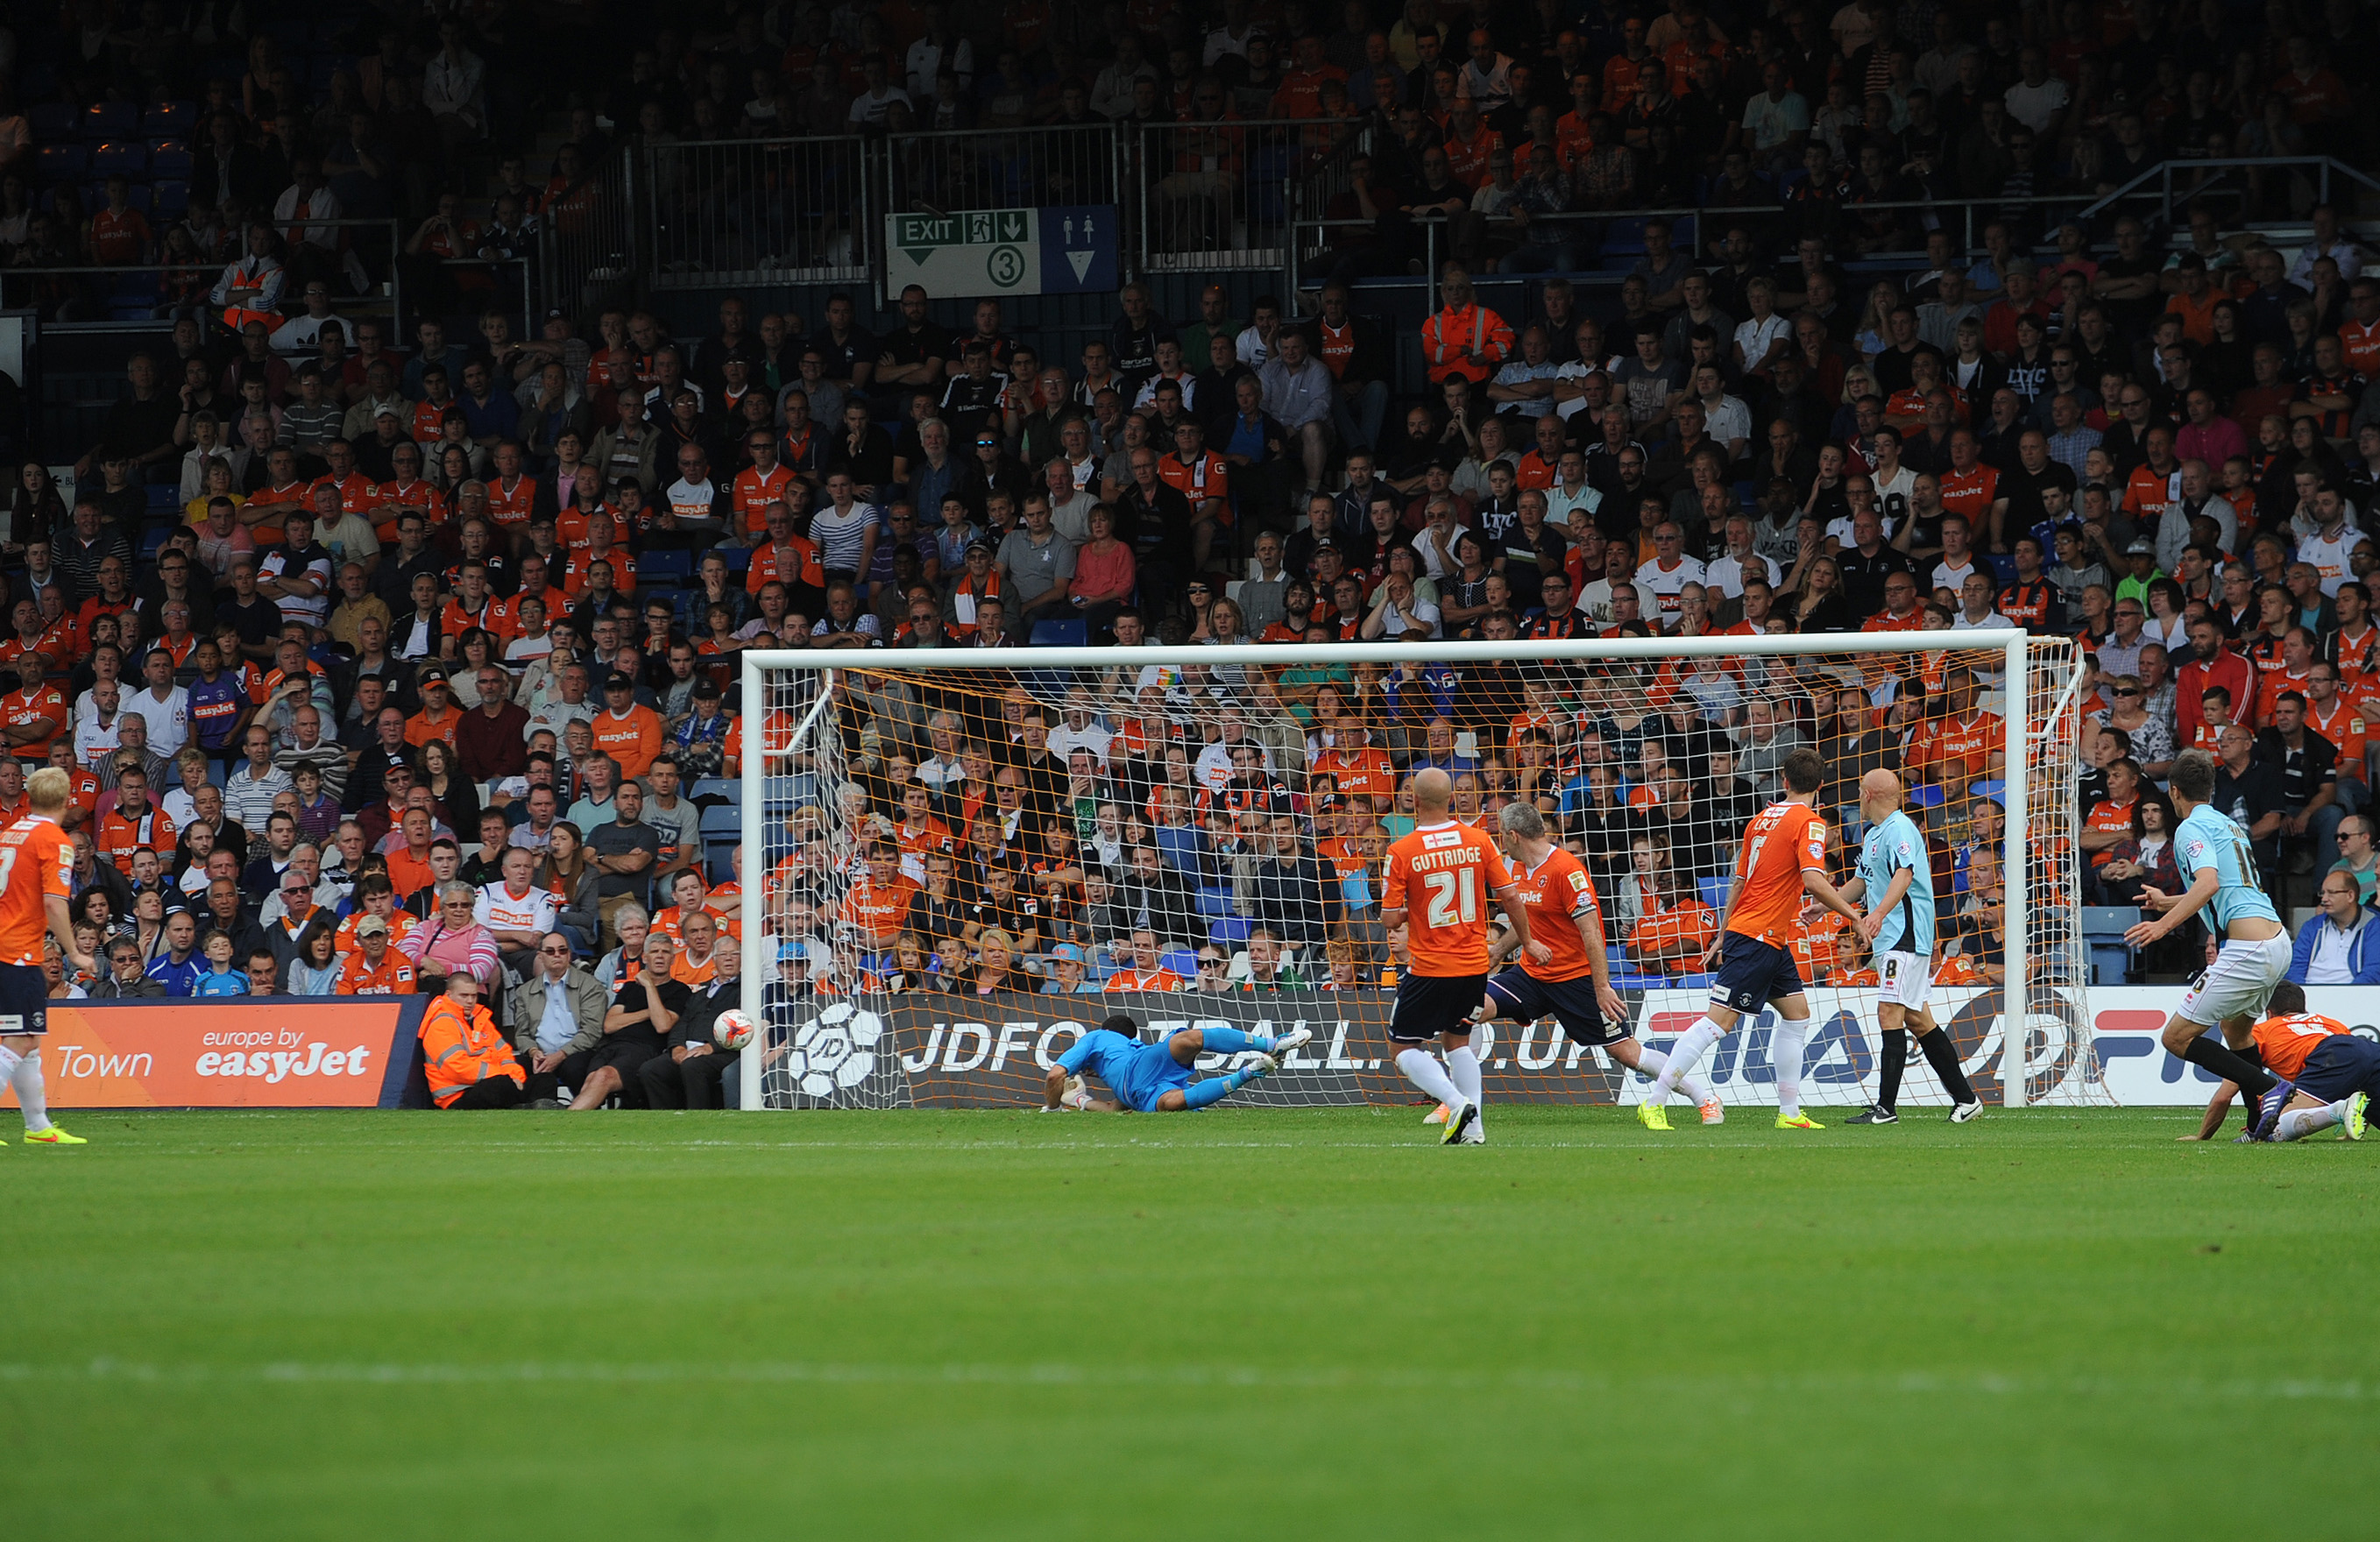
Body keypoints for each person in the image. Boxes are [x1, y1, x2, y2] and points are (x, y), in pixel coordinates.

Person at [1639, 746, 1866, 1131]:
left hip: (1765, 936)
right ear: (1821, 785)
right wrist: (1853, 914)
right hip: (1759, 935)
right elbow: (1813, 880)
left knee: (1797, 1015)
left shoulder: (1760, 819)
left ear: (1784, 780)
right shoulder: (1810, 823)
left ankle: (1790, 1113)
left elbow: (1739, 882)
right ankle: (1655, 1100)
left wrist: (1723, 933)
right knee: (1717, 1023)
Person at [1464, 801, 1723, 1124]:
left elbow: (1593, 934)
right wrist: (1499, 951)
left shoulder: (1566, 871)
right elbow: (1528, 923)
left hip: (1576, 979)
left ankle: (1705, 1097)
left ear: (1514, 836)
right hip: (1532, 975)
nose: (1500, 840)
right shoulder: (1517, 868)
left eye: (1501, 835)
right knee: (1469, 1008)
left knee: (1626, 1053)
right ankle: (1460, 1102)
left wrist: (1601, 987)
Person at [2121, 748, 2300, 1139]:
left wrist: (2162, 925)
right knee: (2237, 1033)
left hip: (2249, 949)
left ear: (2173, 792)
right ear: (2211, 787)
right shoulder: (2226, 823)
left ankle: (2272, 1090)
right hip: (2274, 939)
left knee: (2176, 1038)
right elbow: (2226, 888)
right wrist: (2166, 900)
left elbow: (2208, 884)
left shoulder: (2188, 829)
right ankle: (2260, 1128)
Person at [1378, 766, 1532, 1145]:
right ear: (1450, 799)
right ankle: (1474, 1131)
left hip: (1429, 965)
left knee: (1402, 1047)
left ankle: (1454, 1101)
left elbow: (1390, 916)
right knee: (1457, 1039)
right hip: (1475, 964)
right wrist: (1527, 942)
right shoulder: (1479, 840)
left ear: (1413, 800)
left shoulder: (1402, 851)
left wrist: (1407, 908)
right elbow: (1510, 896)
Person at [1839, 770, 1983, 1125]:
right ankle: (1966, 1101)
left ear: (1869, 794)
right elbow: (1861, 880)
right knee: (1918, 1020)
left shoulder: (1901, 828)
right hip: (1892, 937)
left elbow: (1905, 873)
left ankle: (1885, 1109)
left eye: (1860, 791)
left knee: (1890, 1013)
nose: (1858, 797)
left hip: (1904, 934)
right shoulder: (1874, 834)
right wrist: (1824, 904)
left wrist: (1878, 914)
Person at [0, 768, 96, 1144]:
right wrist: (74, 952)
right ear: (67, 800)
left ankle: (38, 1126)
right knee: (21, 1039)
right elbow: (55, 902)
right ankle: (37, 1126)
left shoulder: (11, 832)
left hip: (4, 945)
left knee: (26, 1039)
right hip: (17, 951)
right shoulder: (54, 840)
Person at [2180, 983, 2373, 1143]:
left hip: (2330, 1055)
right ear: (2303, 1009)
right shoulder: (2332, 1023)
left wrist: (2201, 1136)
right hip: (2368, 1048)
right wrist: (2350, 1135)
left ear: (2269, 1013)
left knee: (2274, 1129)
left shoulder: (2261, 1032)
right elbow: (2356, 1070)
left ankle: (2338, 1110)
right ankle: (2344, 1110)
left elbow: (2224, 1097)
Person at [1041, 1011, 1308, 1113]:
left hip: (1139, 1079)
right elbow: (1113, 1110)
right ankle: (1262, 1057)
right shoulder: (1123, 1060)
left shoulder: (1097, 1037)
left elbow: (1055, 1076)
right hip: (1141, 1088)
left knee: (1175, 1100)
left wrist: (1053, 1107)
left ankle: (1259, 1062)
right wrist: (1078, 1101)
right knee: (1188, 1043)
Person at [420, 972, 528, 1110]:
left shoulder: (480, 1018)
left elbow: (505, 1055)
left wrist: (515, 1077)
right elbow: (457, 1068)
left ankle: (533, 1107)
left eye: (474, 995)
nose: (470, 1001)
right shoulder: (441, 1024)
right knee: (501, 1084)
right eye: (464, 996)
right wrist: (505, 1076)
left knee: (543, 1079)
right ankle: (526, 1105)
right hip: (457, 1095)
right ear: (448, 995)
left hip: (489, 1083)